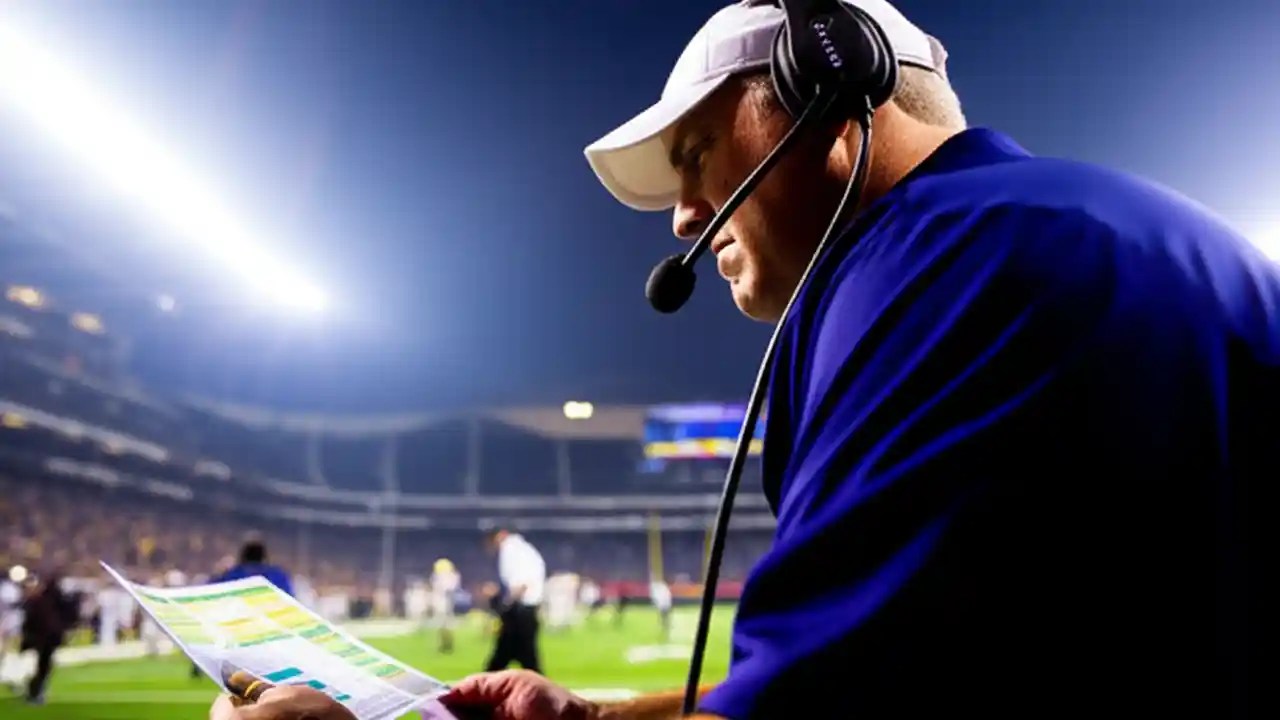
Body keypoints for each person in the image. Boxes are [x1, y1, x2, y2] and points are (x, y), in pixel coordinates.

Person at [207, 1, 1264, 718]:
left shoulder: (938, 264)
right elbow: (908, 679)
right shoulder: (1074, 227)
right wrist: (600, 715)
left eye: (694, 155)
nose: (680, 217)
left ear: (824, 98)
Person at [483, 528, 545, 675]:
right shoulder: (524, 549)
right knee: (523, 658)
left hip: (520, 611)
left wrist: (505, 605)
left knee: (507, 656)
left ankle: (484, 689)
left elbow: (520, 583)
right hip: (527, 610)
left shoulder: (511, 549)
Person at [20, 571, 76, 705]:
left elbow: (29, 621)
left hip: (42, 637)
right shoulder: (47, 601)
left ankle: (35, 690)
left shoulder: (39, 601)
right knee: (43, 665)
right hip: (47, 637)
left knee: (42, 665)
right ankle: (35, 691)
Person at [428, 557, 461, 653]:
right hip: (443, 600)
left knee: (446, 623)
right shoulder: (451, 576)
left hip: (445, 600)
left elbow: (448, 588)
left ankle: (447, 643)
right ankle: (445, 643)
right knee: (443, 623)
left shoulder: (450, 576)